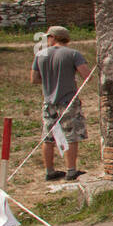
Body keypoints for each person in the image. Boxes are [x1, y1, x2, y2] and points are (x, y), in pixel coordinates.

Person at [31, 25, 91, 181]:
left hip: (49, 101)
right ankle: (71, 170)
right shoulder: (73, 54)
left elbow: (34, 79)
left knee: (48, 137)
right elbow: (87, 75)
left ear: (53, 37)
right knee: (71, 135)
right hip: (68, 101)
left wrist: (50, 80)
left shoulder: (41, 54)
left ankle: (49, 171)